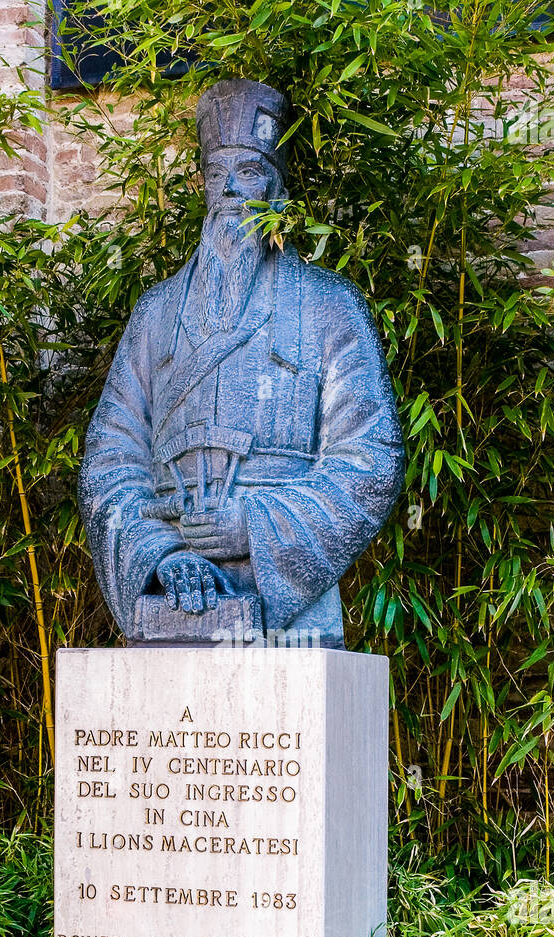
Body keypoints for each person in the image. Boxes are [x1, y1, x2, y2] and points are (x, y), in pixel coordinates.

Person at [80, 77, 405, 646]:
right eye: (215, 174)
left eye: (249, 172)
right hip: (172, 590)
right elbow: (110, 462)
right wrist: (160, 555)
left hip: (289, 609)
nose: (230, 188)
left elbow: (370, 462)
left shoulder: (330, 306)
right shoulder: (156, 313)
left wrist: (251, 526)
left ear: (277, 191)